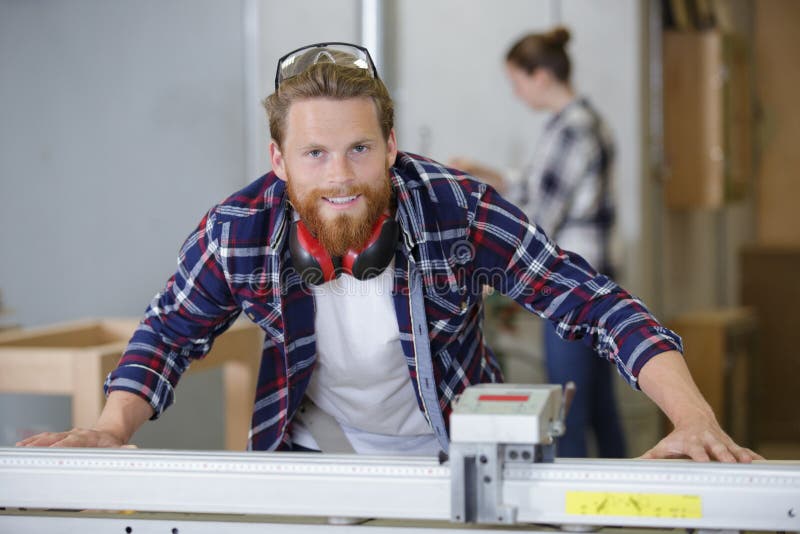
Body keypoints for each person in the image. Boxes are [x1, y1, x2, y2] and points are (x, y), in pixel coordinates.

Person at [18, 42, 759, 463]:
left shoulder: (453, 209)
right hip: (314, 454)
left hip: (457, 450)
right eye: (314, 153)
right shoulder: (236, 232)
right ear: (279, 160)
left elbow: (591, 300)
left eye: (359, 149)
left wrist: (691, 418)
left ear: (391, 149)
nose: (339, 175)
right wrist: (112, 427)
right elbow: (168, 332)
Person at [450, 27, 627, 458]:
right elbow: (536, 185)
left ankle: (571, 513)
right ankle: (620, 499)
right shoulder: (580, 122)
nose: (516, 93)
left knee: (568, 405)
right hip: (595, 280)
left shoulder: (572, 130)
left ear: (540, 76)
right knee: (599, 402)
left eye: (517, 82)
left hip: (571, 287)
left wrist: (489, 269)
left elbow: (539, 217)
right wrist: (483, 170)